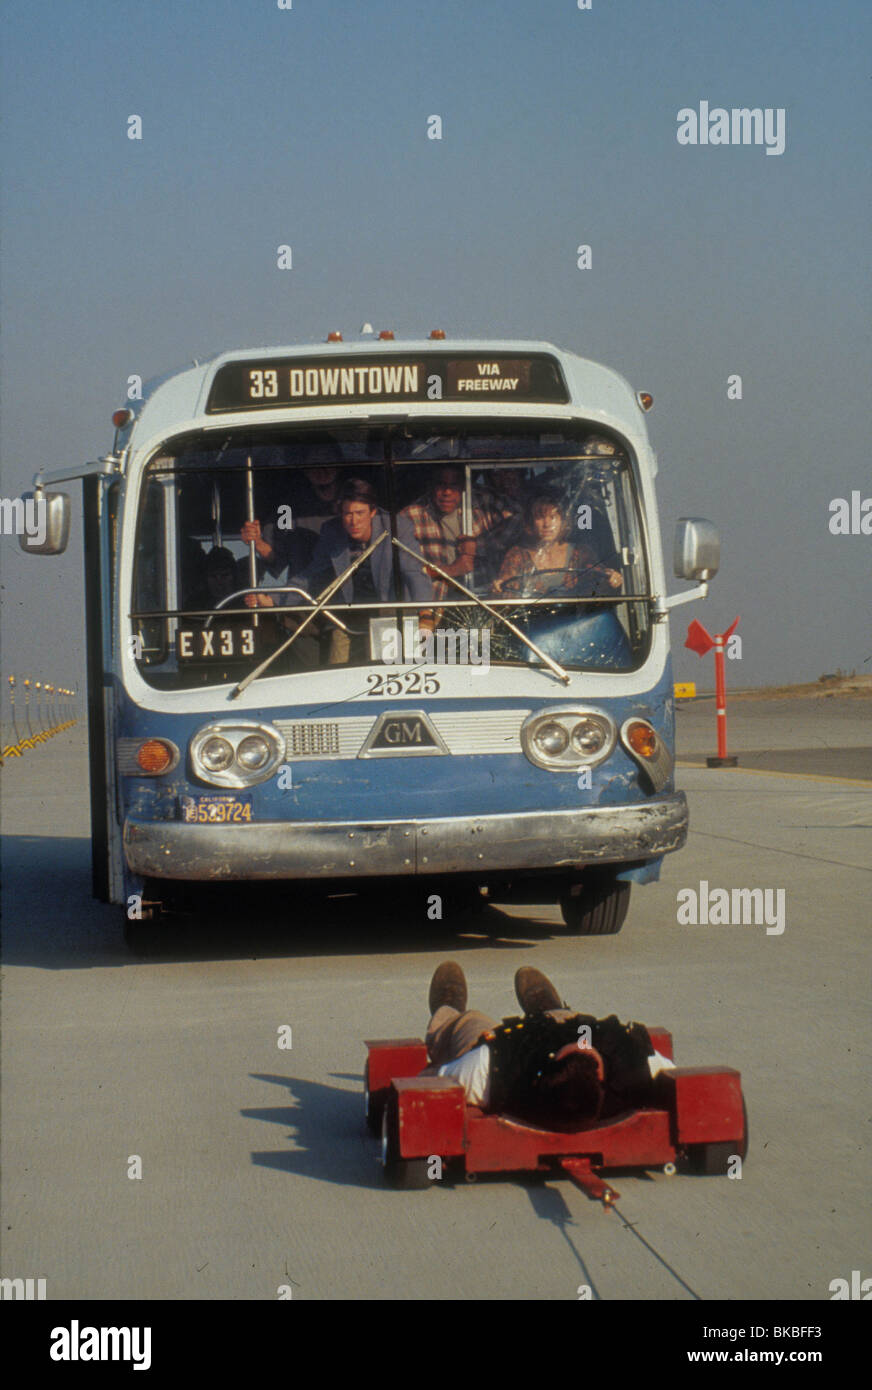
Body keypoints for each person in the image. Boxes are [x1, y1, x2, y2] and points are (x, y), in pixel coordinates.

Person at [425, 961, 674, 1128]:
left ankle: (447, 1011)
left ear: (553, 1059)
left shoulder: (487, 1069)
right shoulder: (639, 1068)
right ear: (601, 1075)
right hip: (573, 1035)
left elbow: (439, 1078)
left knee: (467, 1023)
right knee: (570, 1020)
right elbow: (674, 1074)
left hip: (510, 1050)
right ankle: (549, 1009)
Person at [244, 478, 432, 660]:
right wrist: (272, 599)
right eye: (348, 514)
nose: (354, 521)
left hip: (390, 613)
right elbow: (311, 575)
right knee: (336, 660)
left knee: (385, 667)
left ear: (373, 512)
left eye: (360, 513)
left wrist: (425, 615)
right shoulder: (332, 531)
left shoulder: (397, 527)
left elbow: (413, 572)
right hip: (348, 616)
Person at [492, 490, 624, 598]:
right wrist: (498, 587)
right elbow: (506, 586)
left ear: (564, 521)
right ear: (531, 523)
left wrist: (612, 578)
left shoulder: (581, 553)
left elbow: (598, 578)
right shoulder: (517, 555)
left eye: (553, 517)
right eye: (540, 517)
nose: (547, 524)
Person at [400, 465, 503, 600]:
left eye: (454, 485)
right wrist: (451, 570)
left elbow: (521, 517)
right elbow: (403, 569)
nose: (447, 492)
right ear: (431, 486)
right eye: (441, 484)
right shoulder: (411, 516)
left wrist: (479, 545)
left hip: (483, 597)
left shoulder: (482, 505)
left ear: (464, 487)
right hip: (434, 604)